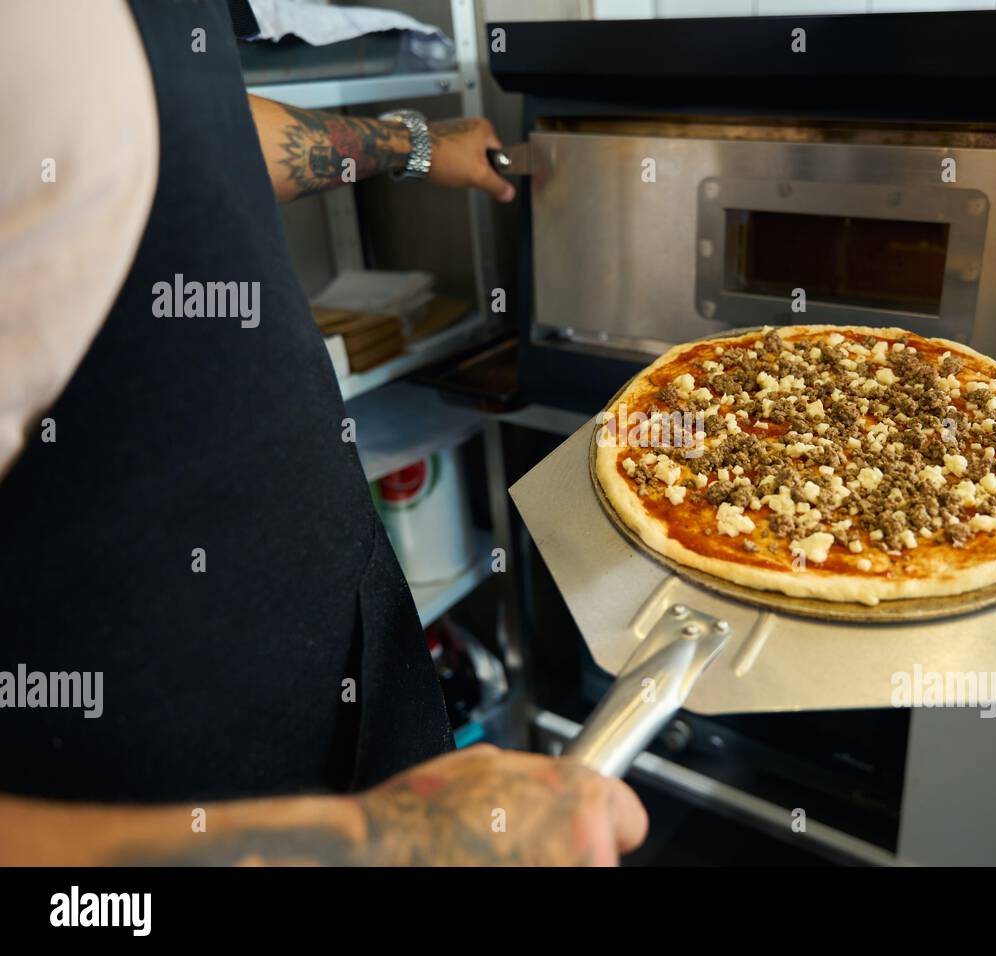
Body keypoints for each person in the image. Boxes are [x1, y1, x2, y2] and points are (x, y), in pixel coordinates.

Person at [0, 0, 647, 865]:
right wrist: (372, 843)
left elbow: (188, 124)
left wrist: (412, 146)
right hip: (135, 768)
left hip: (338, 640)